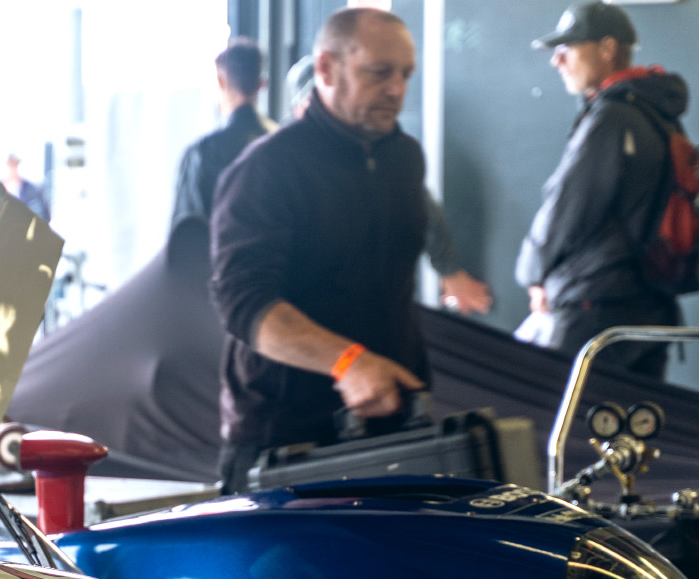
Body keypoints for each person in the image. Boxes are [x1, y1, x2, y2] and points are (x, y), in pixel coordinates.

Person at [208, 8, 428, 493]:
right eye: (380, 72)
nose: (397, 89)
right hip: (285, 442)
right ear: (326, 69)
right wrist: (348, 362)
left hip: (389, 434)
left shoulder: (405, 158)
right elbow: (246, 305)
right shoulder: (266, 169)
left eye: (405, 74)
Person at [517, 2, 687, 378]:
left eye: (567, 49)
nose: (556, 61)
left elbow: (568, 205)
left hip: (598, 304)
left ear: (607, 49)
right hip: (651, 304)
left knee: (561, 420)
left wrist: (534, 272)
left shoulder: (611, 117)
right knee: (632, 424)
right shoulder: (657, 112)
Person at [284, 55, 491, 314]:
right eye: (314, 103)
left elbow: (419, 206)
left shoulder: (375, 151)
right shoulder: (279, 165)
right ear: (299, 110)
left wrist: (451, 273)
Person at [172, 37, 273, 227]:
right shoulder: (281, 145)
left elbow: (185, 235)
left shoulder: (201, 154)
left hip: (217, 256)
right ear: (261, 84)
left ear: (220, 81)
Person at [3, 154, 50, 221]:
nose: (12, 167)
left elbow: (43, 214)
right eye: (10, 164)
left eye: (15, 164)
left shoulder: (31, 190)